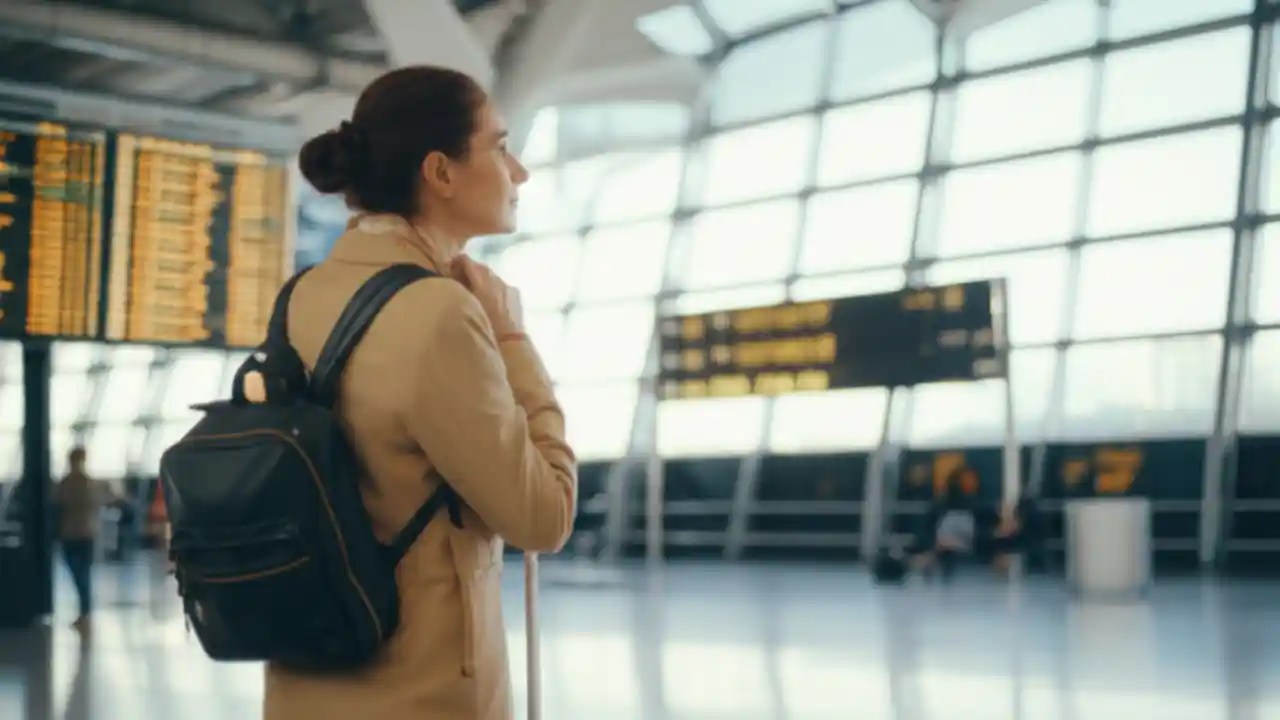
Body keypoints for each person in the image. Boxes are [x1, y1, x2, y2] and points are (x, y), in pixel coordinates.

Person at [263, 66, 577, 720]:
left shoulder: (298, 298)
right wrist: (511, 339)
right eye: (498, 145)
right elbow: (544, 517)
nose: (518, 171)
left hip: (303, 690)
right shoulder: (439, 312)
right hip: (419, 697)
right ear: (441, 172)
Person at [54, 447, 111, 631]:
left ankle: (84, 611)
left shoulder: (66, 483)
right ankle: (85, 611)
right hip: (87, 533)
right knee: (83, 573)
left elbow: (58, 504)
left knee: (78, 573)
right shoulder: (90, 483)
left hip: (71, 533)